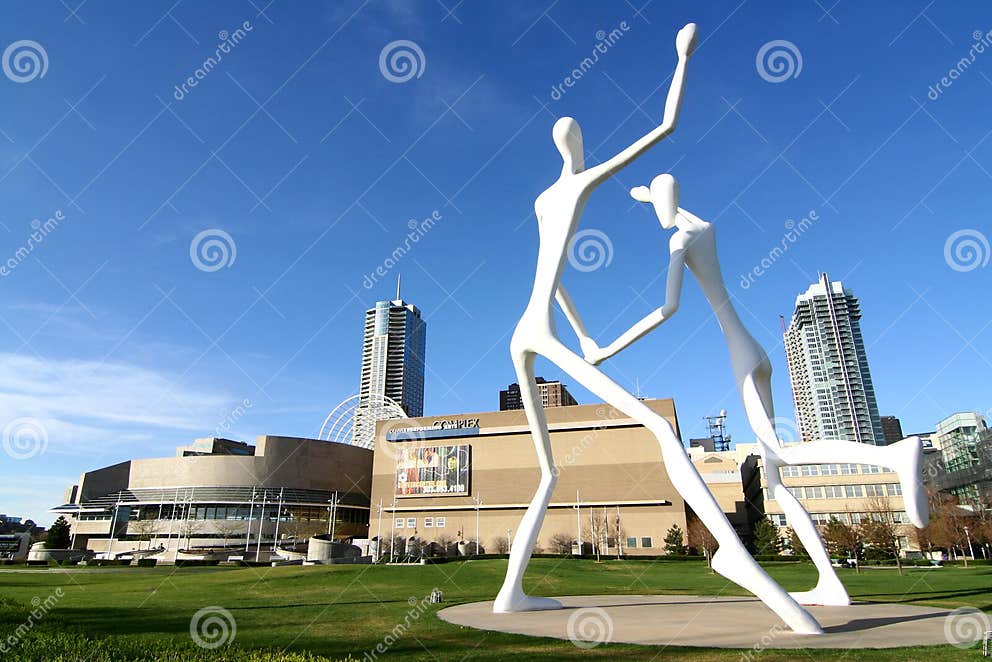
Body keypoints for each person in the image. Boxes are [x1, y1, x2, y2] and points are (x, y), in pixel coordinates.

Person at [493, 22, 823, 634]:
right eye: (580, 138)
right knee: (657, 429)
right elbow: (664, 127)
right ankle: (736, 558)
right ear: (577, 147)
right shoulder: (582, 181)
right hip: (542, 331)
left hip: (523, 332)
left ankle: (510, 594)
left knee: (547, 472)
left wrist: (584, 336)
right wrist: (682, 59)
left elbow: (553, 276)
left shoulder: (540, 201)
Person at [587, 172, 928, 605]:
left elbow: (669, 307)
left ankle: (890, 456)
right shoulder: (702, 226)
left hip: (741, 356)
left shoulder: (679, 242)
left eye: (658, 204)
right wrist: (645, 197)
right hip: (756, 349)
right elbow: (675, 208)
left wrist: (608, 348)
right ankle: (829, 580)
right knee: (777, 480)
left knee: (779, 454)